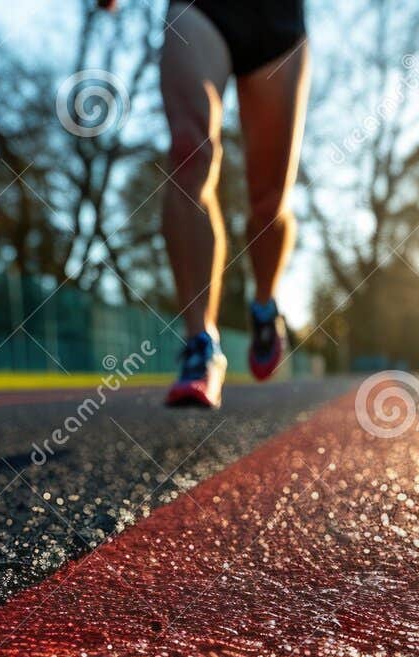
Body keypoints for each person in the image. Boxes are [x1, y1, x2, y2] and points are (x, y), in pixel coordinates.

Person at [99, 0, 310, 408]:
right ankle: (201, 343)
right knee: (188, 150)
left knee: (269, 202)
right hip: (201, 9)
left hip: (277, 24)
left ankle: (265, 304)